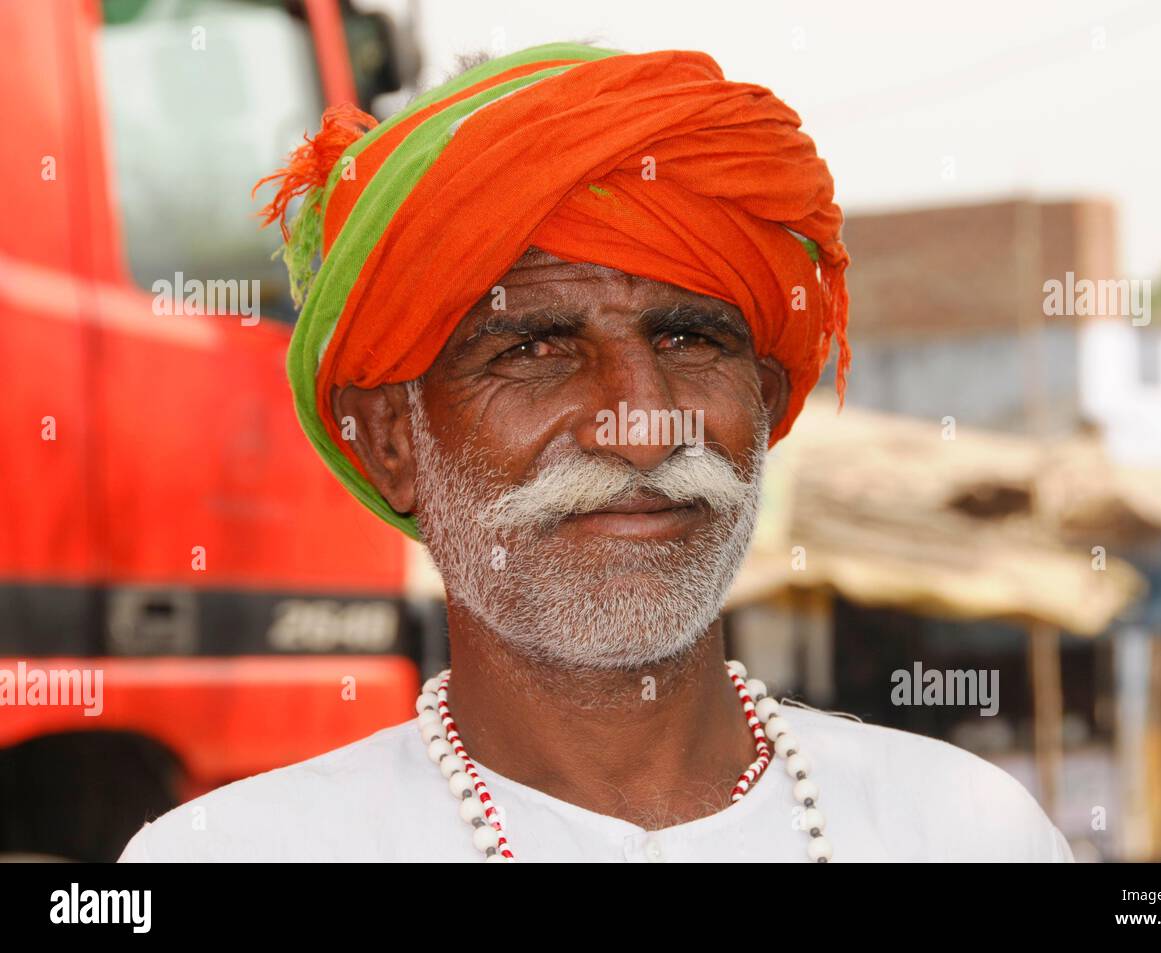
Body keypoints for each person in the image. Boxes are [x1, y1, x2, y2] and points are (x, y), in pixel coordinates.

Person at [119, 42, 1071, 863]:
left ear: (768, 402)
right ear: (392, 441)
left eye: (690, 339)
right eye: (534, 348)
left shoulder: (967, 833)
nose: (642, 424)